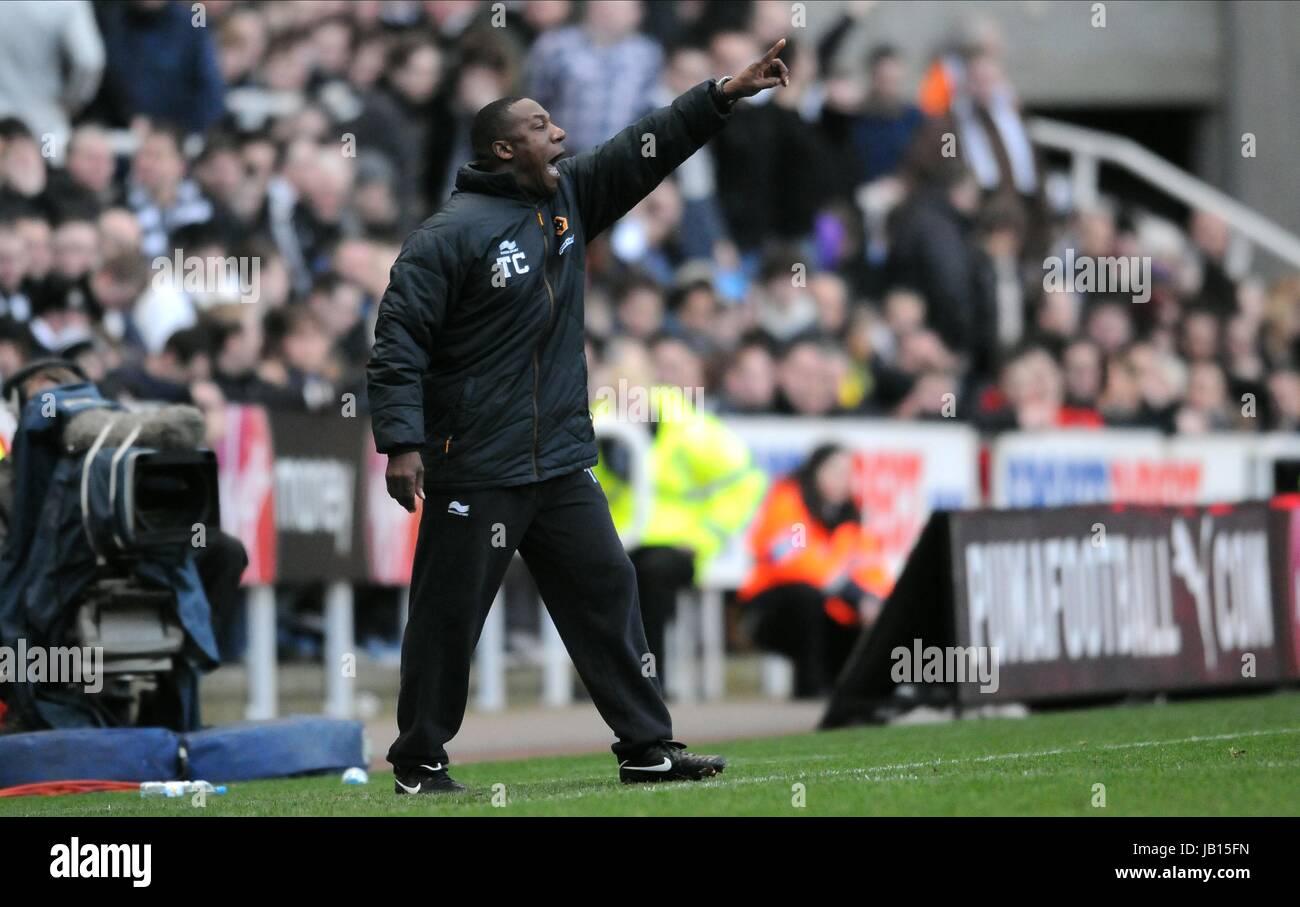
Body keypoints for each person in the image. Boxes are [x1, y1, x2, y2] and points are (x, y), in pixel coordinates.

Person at [366, 39, 791, 794]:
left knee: (607, 591)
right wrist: (401, 440)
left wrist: (721, 94)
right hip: (477, 460)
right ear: (504, 148)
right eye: (540, 125)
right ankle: (419, 761)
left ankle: (647, 748)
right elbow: (397, 341)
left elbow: (644, 149)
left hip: (559, 458)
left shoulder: (567, 199)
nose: (558, 133)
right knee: (448, 618)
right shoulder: (446, 236)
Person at [739, 444, 891, 698]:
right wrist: (853, 595)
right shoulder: (788, 500)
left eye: (848, 473)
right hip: (771, 609)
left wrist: (874, 601)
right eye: (835, 471)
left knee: (873, 618)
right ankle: (809, 689)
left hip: (833, 608)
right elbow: (794, 559)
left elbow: (870, 567)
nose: (842, 480)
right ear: (815, 470)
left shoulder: (851, 519)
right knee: (807, 597)